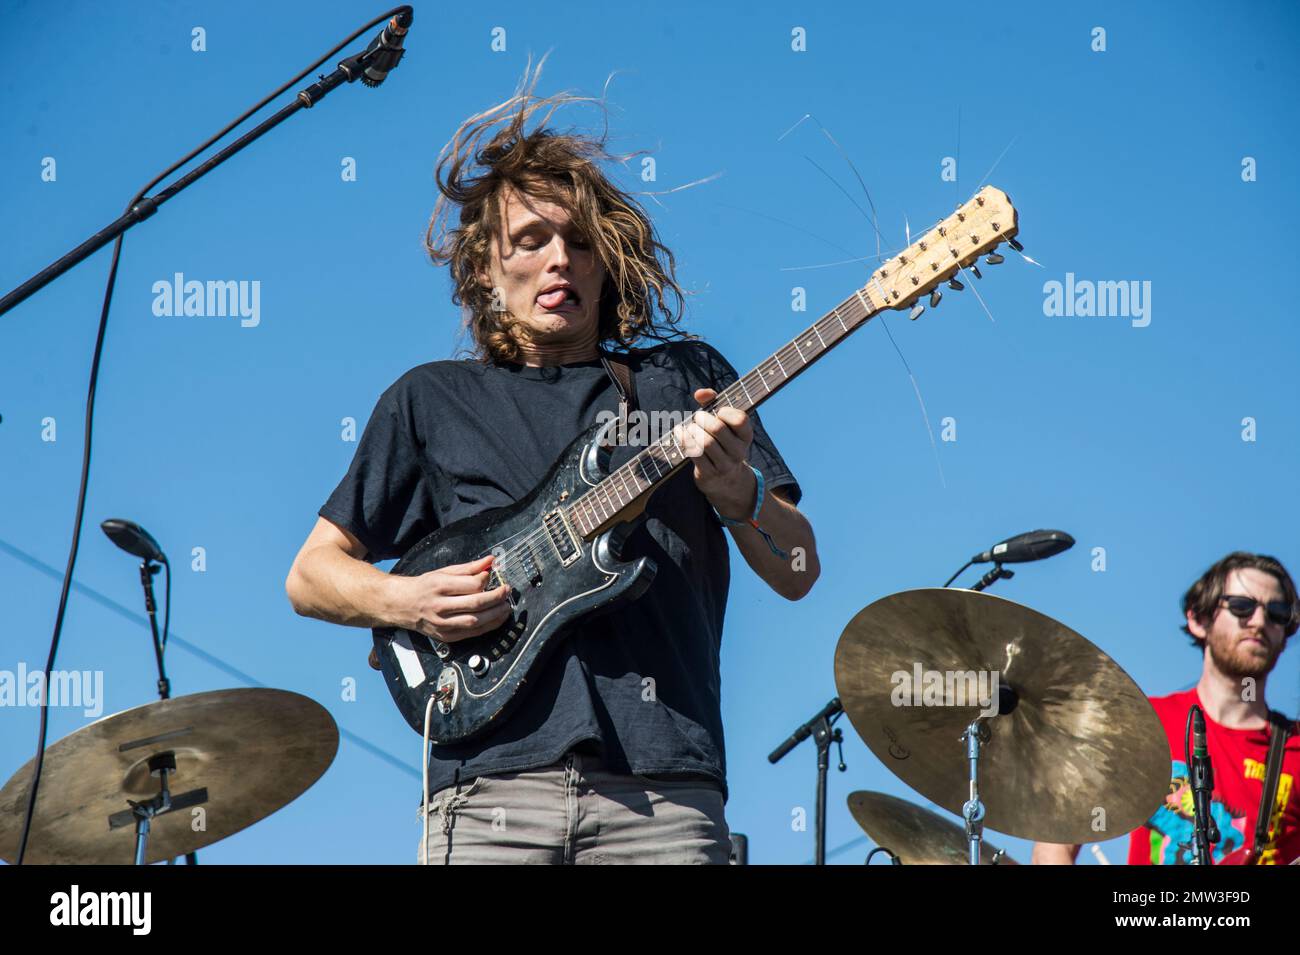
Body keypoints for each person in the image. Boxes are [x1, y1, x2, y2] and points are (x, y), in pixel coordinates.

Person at [284, 63, 819, 864]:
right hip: (484, 792)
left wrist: (737, 492)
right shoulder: (429, 401)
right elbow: (310, 575)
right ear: (487, 271)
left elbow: (801, 566)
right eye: (531, 241)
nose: (559, 260)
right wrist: (408, 599)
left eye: (579, 241)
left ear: (610, 265)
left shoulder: (682, 381)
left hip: (664, 794)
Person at [1032, 552, 1300, 865]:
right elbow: (1055, 843)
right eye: (1242, 606)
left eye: (1277, 612)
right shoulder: (1141, 722)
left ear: (1285, 634)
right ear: (1199, 620)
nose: (1259, 621)